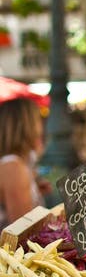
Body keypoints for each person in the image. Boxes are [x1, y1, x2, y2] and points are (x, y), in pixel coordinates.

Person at [0, 97, 47, 230]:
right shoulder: (13, 168)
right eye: (38, 120)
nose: (41, 127)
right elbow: (24, 230)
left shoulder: (13, 163)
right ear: (27, 126)